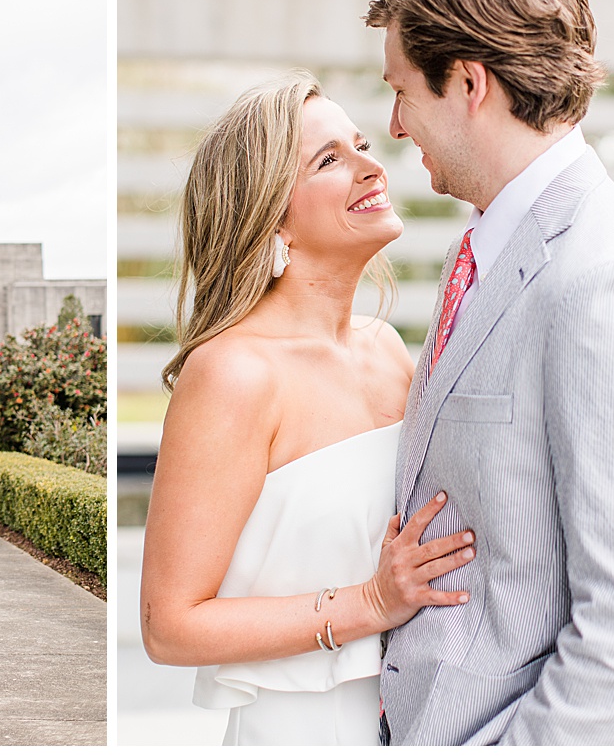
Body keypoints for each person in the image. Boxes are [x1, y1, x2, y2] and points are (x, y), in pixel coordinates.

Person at [364, 0, 614, 745]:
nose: (395, 123)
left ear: (470, 83)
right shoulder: (478, 247)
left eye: (403, 91)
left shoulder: (608, 279)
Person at [139, 70, 478, 745]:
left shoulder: (388, 350)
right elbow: (167, 624)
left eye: (359, 144)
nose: (370, 165)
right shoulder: (233, 373)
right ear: (274, 218)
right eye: (331, 159)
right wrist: (369, 603)